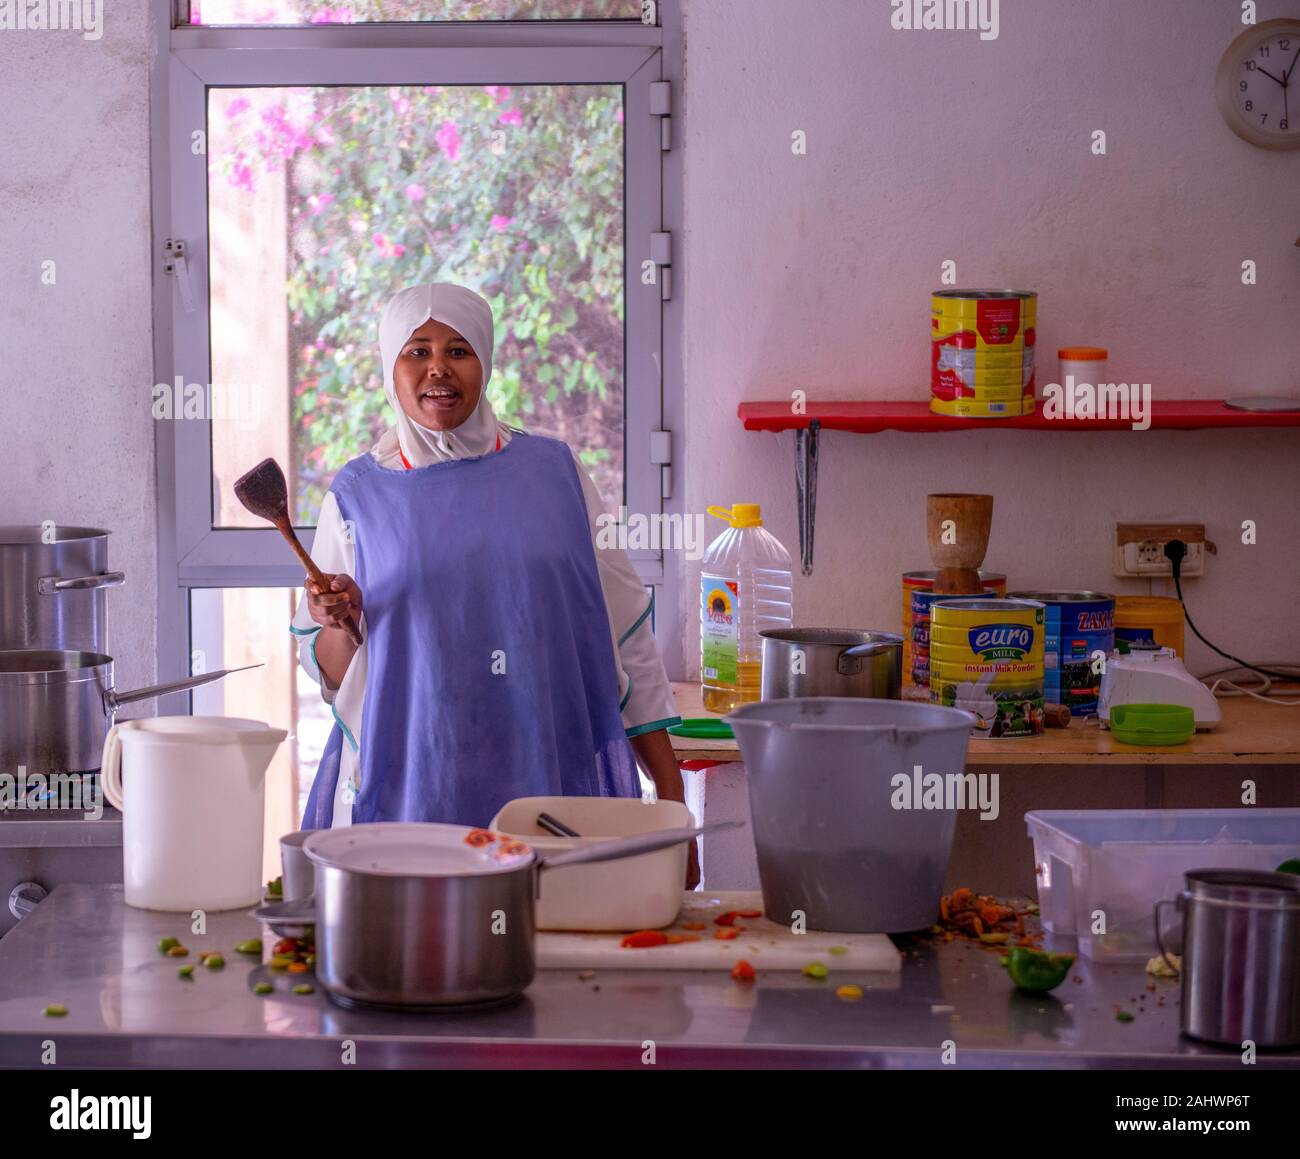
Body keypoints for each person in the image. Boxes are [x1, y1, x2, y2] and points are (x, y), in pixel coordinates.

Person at [291, 283, 696, 884]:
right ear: (389, 366)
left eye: (458, 350)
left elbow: (626, 637)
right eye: (416, 351)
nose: (438, 369)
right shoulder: (357, 498)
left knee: (563, 954)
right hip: (416, 787)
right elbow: (331, 670)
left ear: (485, 359)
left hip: (549, 785)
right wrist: (338, 621)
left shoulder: (557, 475)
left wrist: (672, 800)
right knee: (425, 960)